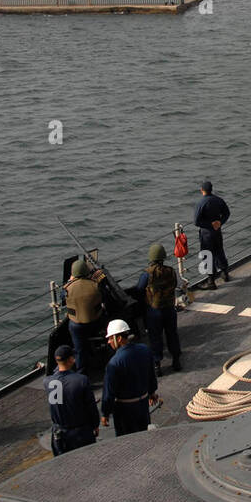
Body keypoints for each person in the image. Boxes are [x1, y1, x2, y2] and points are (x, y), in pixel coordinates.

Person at [100, 319, 159, 436]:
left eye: (111, 338)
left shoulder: (114, 363)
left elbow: (109, 392)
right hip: (143, 406)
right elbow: (151, 374)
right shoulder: (145, 350)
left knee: (127, 441)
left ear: (119, 338)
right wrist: (151, 393)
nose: (109, 342)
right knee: (144, 435)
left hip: (125, 411)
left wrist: (105, 413)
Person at [129, 244, 182, 374]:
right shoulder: (171, 271)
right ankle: (176, 360)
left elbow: (139, 289)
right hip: (169, 309)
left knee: (155, 337)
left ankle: (157, 364)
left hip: (154, 311)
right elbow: (175, 284)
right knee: (172, 334)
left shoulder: (147, 274)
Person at [45, 345, 99, 456]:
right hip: (79, 433)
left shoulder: (47, 382)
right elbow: (91, 407)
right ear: (71, 359)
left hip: (59, 433)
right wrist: (95, 425)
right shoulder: (81, 380)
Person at [64, 258, 105, 373]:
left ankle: (82, 372)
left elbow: (63, 300)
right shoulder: (95, 285)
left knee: (79, 349)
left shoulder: (67, 288)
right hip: (95, 322)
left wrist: (69, 281)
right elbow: (104, 296)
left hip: (77, 325)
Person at [194, 179, 231, 287]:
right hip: (217, 231)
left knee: (207, 255)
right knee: (219, 251)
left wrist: (209, 225)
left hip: (206, 234)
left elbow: (196, 221)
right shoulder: (219, 200)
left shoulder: (201, 203)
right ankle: (225, 273)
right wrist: (219, 222)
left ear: (202, 190)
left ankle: (211, 280)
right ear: (211, 189)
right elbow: (227, 213)